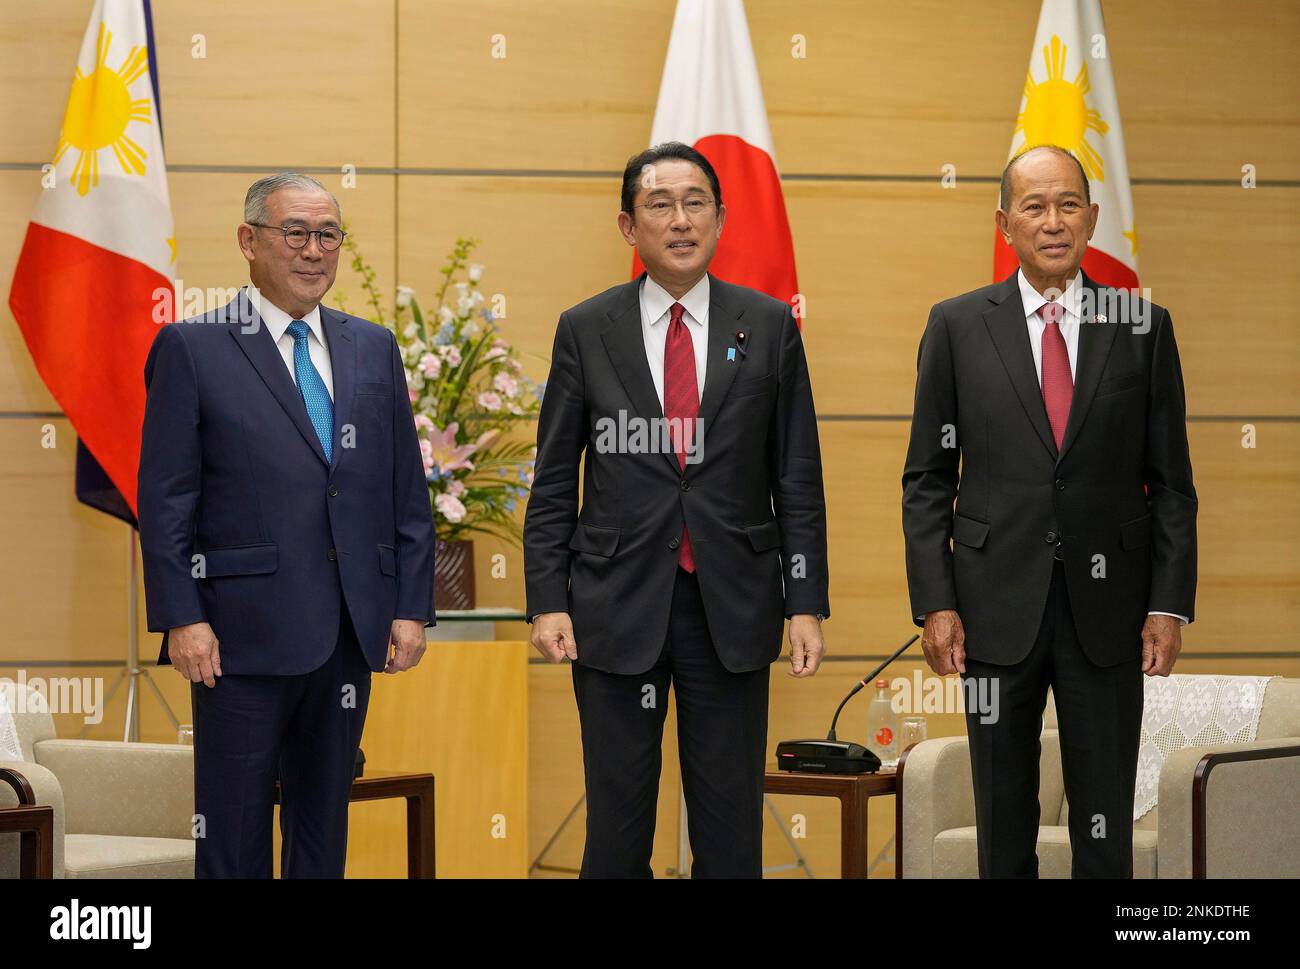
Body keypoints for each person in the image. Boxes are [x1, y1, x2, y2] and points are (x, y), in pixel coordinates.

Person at [523, 142, 830, 878]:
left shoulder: (768, 324)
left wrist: (806, 601)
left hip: (732, 602)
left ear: (721, 219)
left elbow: (797, 476)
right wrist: (546, 599)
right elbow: (556, 477)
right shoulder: (586, 328)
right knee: (618, 829)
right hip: (613, 604)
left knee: (728, 834)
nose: (681, 219)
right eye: (659, 204)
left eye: (696, 202)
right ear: (629, 227)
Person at [902, 144, 1197, 877]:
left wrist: (1170, 603)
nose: (1053, 220)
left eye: (1068, 204)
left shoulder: (1144, 326)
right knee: (1003, 820)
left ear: (1093, 218)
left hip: (1111, 610)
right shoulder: (957, 326)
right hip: (992, 607)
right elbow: (926, 481)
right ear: (1006, 223)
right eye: (1034, 206)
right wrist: (934, 603)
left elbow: (1172, 483)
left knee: (1104, 825)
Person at [138, 172, 435, 877]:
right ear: (249, 241)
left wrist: (411, 606)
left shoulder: (372, 347)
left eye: (327, 234)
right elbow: (165, 499)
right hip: (236, 638)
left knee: (322, 829)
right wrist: (182, 616)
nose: (313, 251)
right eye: (294, 232)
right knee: (235, 836)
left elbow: (404, 489)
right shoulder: (193, 346)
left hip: (347, 633)